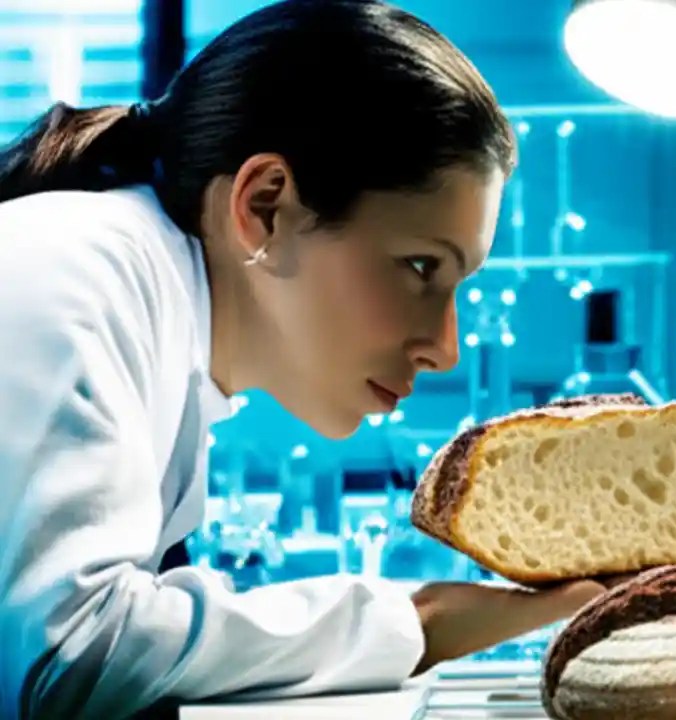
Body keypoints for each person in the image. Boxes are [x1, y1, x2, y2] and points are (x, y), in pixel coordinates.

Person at [0, 2, 617, 718]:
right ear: (265, 206)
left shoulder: (151, 308)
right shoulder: (73, 268)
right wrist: (418, 622)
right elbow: (70, 662)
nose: (444, 349)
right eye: (420, 266)